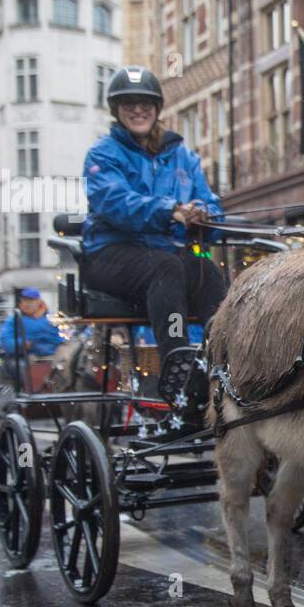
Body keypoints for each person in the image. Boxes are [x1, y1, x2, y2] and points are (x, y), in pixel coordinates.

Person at [82, 65, 225, 409]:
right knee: (166, 267)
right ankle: (177, 362)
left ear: (157, 108)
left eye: (145, 103)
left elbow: (211, 204)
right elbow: (114, 202)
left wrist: (202, 215)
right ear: (116, 110)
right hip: (109, 255)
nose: (137, 109)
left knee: (207, 270)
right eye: (128, 103)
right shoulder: (102, 155)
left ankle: (223, 355)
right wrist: (169, 209)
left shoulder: (183, 157)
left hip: (163, 255)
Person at [0, 289, 63, 360]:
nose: (27, 304)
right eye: (24, 300)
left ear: (39, 302)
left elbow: (61, 338)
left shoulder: (51, 319)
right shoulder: (14, 320)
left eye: (31, 300)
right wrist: (22, 344)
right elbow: (5, 339)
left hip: (53, 357)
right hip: (25, 357)